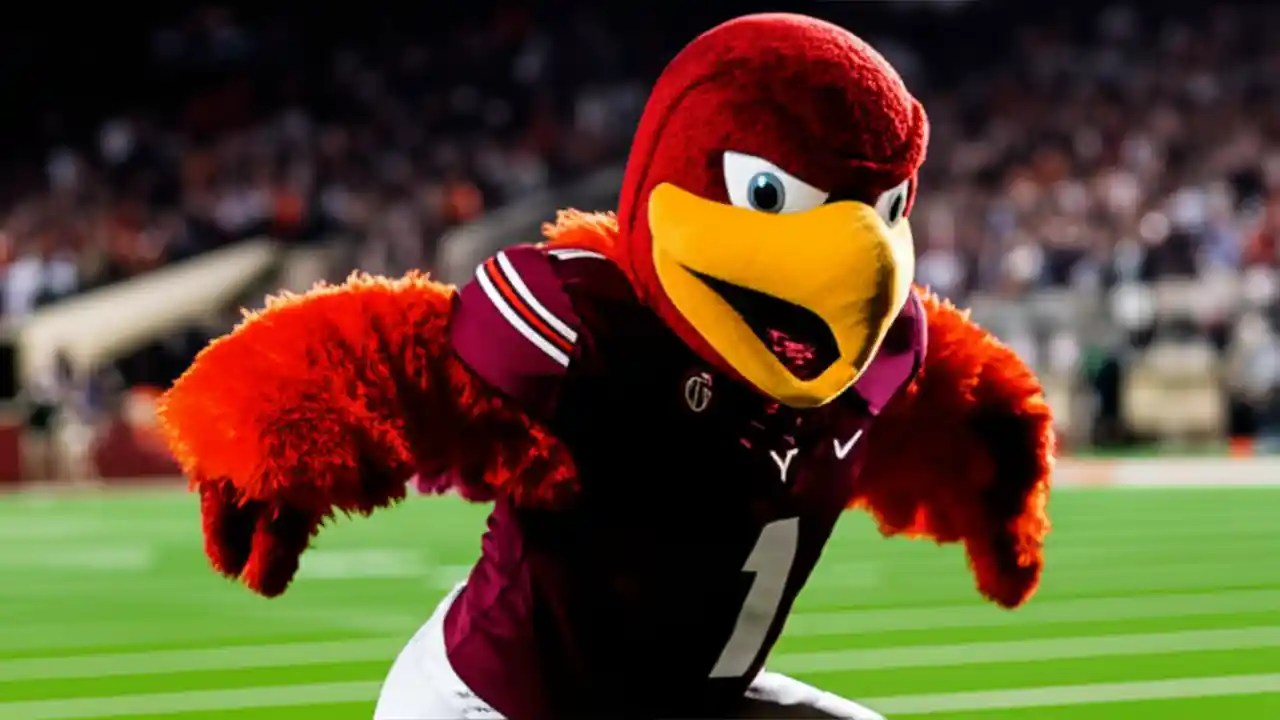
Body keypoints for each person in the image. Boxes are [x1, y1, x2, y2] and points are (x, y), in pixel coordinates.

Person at [157, 14, 1054, 720]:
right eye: (773, 199)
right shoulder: (592, 329)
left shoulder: (883, 348)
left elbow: (979, 413)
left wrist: (1002, 491)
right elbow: (399, 353)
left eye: (883, 207)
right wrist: (264, 427)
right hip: (492, 707)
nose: (859, 257)